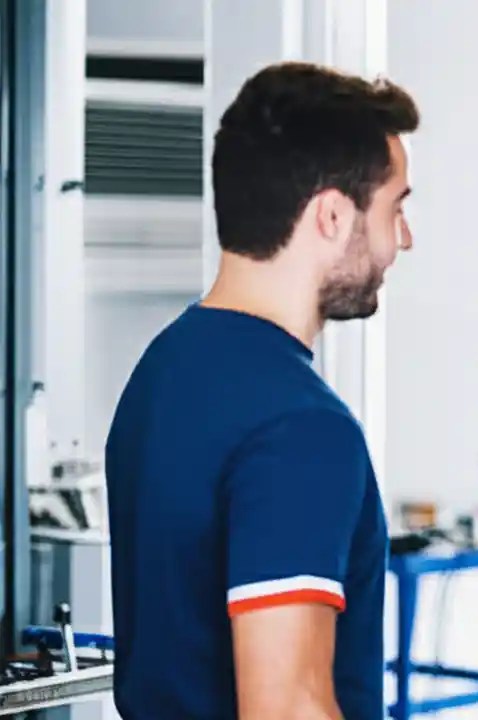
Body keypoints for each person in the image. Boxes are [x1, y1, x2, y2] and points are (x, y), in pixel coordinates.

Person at [105, 61, 417, 719]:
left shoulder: (162, 371)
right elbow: (288, 707)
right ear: (333, 215)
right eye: (396, 208)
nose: (402, 242)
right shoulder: (300, 427)